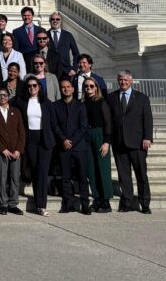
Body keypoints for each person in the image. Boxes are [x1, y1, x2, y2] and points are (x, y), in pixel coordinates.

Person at [108, 69, 153, 214]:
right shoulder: (112, 97)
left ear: (131, 81)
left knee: (141, 175)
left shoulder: (141, 98)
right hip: (119, 143)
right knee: (124, 176)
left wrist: (147, 138)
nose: (123, 82)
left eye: (126, 80)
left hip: (138, 143)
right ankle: (126, 202)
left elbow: (147, 120)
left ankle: (144, 203)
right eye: (121, 80)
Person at [15, 75, 56, 216]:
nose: (32, 88)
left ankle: (41, 205)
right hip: (30, 140)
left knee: (43, 172)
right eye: (29, 86)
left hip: (44, 140)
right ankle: (38, 200)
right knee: (34, 171)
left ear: (39, 87)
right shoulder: (22, 102)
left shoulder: (46, 103)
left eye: (35, 85)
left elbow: (53, 123)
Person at [52, 78, 92, 214]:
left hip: (79, 147)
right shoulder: (55, 105)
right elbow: (55, 125)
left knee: (82, 177)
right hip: (63, 146)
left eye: (68, 87)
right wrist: (63, 140)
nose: (66, 89)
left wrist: (72, 141)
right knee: (65, 177)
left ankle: (85, 204)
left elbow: (83, 127)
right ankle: (68, 204)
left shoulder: (81, 106)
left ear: (73, 89)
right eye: (63, 87)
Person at [0, 89, 25, 215]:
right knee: (2, 178)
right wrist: (2, 149)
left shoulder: (16, 111)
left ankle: (13, 204)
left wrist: (18, 150)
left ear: (8, 97)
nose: (2, 97)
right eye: (0, 95)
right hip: (1, 151)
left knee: (15, 178)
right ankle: (3, 204)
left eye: (5, 95)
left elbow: (22, 133)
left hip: (15, 152)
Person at [82, 77, 114, 212]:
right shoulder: (82, 103)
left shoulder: (102, 102)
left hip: (99, 135)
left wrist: (107, 141)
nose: (89, 89)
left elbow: (108, 123)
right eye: (86, 86)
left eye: (91, 86)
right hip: (86, 136)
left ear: (96, 88)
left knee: (102, 168)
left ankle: (105, 201)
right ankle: (96, 198)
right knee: (91, 169)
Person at [47, 12, 80, 78]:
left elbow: (76, 53)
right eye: (53, 19)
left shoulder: (68, 35)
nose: (55, 21)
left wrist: (74, 69)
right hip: (50, 71)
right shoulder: (45, 35)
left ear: (61, 21)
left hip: (66, 71)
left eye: (57, 19)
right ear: (50, 21)